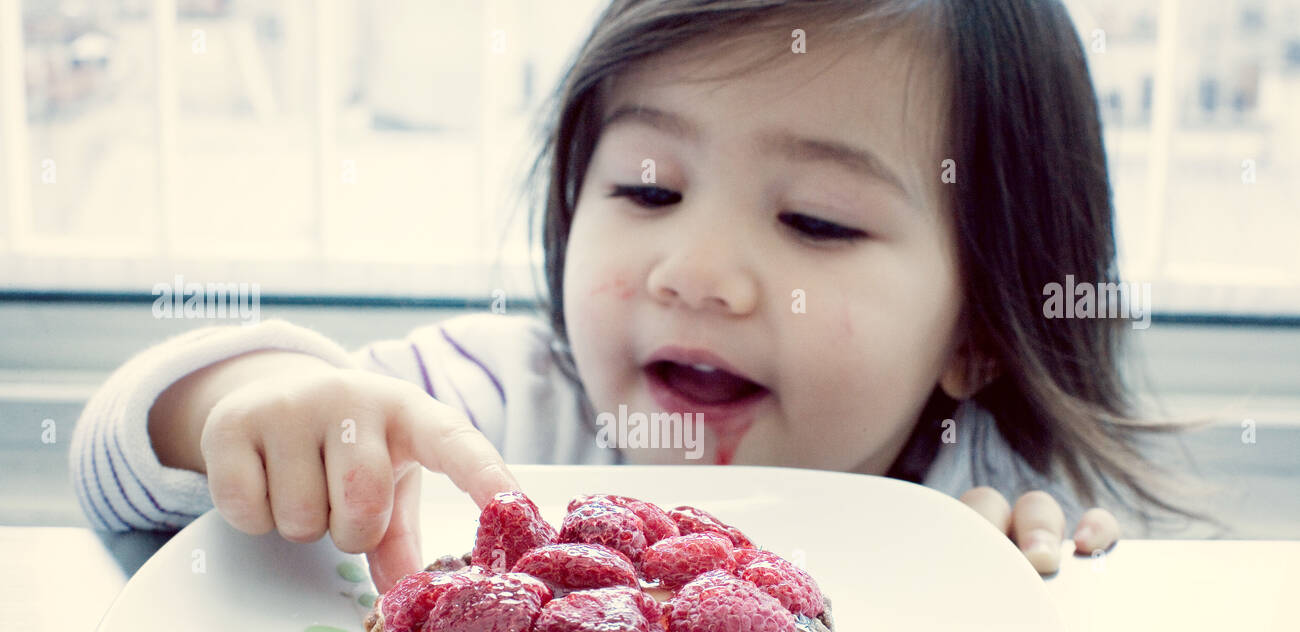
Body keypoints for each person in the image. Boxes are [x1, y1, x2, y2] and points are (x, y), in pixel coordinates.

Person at [70, 0, 1220, 596]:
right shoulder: (481, 413)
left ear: (974, 333)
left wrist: (1021, 568)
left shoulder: (964, 506)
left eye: (815, 219)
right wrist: (261, 405)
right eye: (648, 187)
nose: (692, 274)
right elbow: (117, 461)